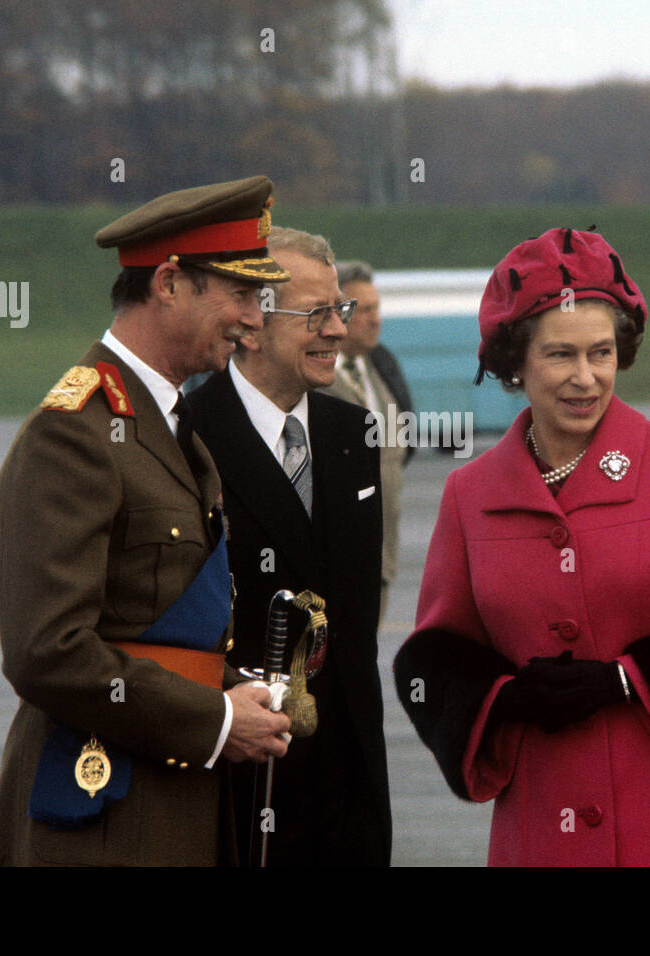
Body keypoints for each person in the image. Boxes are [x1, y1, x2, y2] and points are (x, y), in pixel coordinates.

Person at [393, 227, 650, 866]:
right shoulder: (470, 493)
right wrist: (508, 697)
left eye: (601, 353)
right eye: (560, 356)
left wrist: (628, 681)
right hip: (538, 830)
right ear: (514, 362)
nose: (586, 378)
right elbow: (432, 666)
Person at [0, 177, 293, 866]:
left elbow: (161, 628)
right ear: (171, 283)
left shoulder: (171, 427)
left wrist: (232, 691)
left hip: (171, 800)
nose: (254, 321)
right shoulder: (74, 435)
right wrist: (212, 721)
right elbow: (47, 649)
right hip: (104, 815)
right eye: (240, 295)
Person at [187, 227, 391, 866]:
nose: (337, 330)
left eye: (342, 310)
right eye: (317, 314)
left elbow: (355, 629)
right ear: (250, 326)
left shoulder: (352, 431)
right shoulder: (189, 439)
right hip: (239, 783)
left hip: (347, 786)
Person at [320, 260, 414, 619]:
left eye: (378, 309)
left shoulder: (382, 365)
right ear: (338, 314)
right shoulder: (314, 377)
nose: (376, 319)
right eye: (366, 310)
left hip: (382, 555)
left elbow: (401, 445)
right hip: (334, 559)